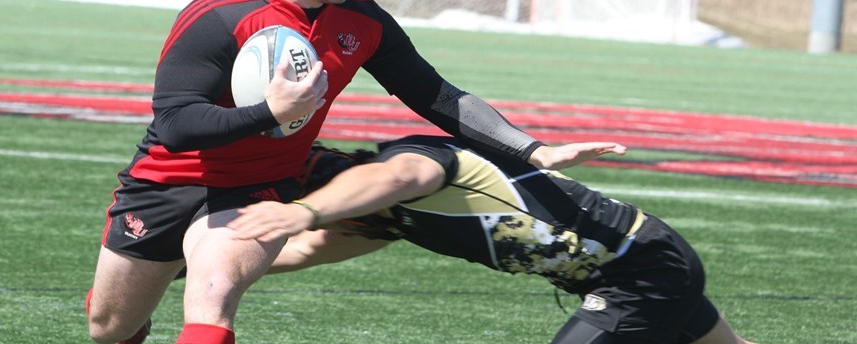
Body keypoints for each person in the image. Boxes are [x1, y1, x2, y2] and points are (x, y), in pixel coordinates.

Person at [85, 0, 621, 344]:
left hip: (259, 186)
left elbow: (434, 94)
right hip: (166, 183)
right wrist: (269, 112)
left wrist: (533, 150)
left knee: (215, 292)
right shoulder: (220, 15)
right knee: (109, 328)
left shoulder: (363, 20)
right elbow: (176, 126)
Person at [230, 135, 758, 344]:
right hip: (647, 264)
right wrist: (186, 266)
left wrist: (302, 210)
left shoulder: (407, 162)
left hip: (638, 268)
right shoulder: (384, 220)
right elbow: (300, 252)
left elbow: (394, 179)